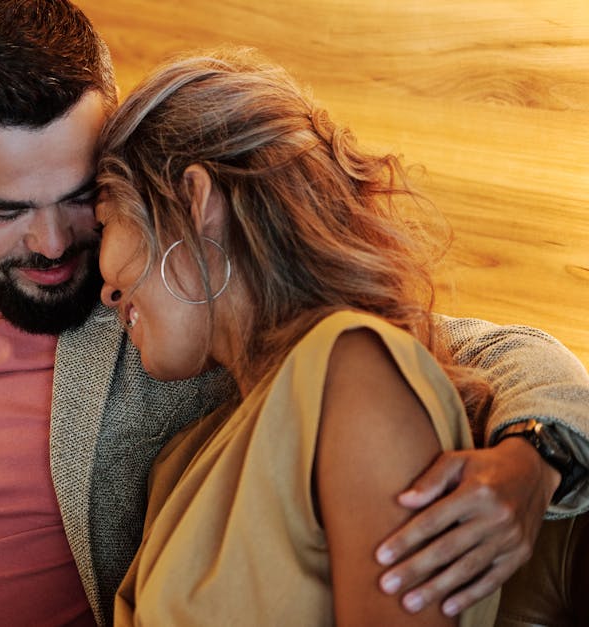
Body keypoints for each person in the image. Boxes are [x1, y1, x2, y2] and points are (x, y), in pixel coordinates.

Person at [0, 1, 589, 625]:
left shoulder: (173, 324)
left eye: (83, 199)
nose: (51, 246)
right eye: (4, 211)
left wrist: (539, 455)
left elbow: (467, 349)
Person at [92, 46, 554, 625]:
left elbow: (523, 353)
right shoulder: (192, 450)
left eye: (106, 222)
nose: (105, 289)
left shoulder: (352, 375)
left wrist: (544, 453)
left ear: (194, 199)